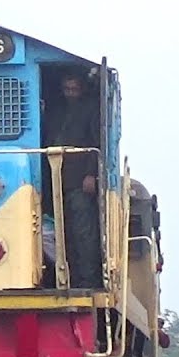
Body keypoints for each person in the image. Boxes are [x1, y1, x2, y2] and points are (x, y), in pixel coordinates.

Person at [43, 72, 102, 288]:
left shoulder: (90, 110)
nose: (70, 94)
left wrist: (91, 174)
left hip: (79, 180)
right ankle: (65, 277)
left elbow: (97, 142)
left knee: (83, 232)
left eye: (74, 90)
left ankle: (86, 279)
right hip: (56, 179)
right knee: (62, 231)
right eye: (67, 90)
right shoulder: (56, 112)